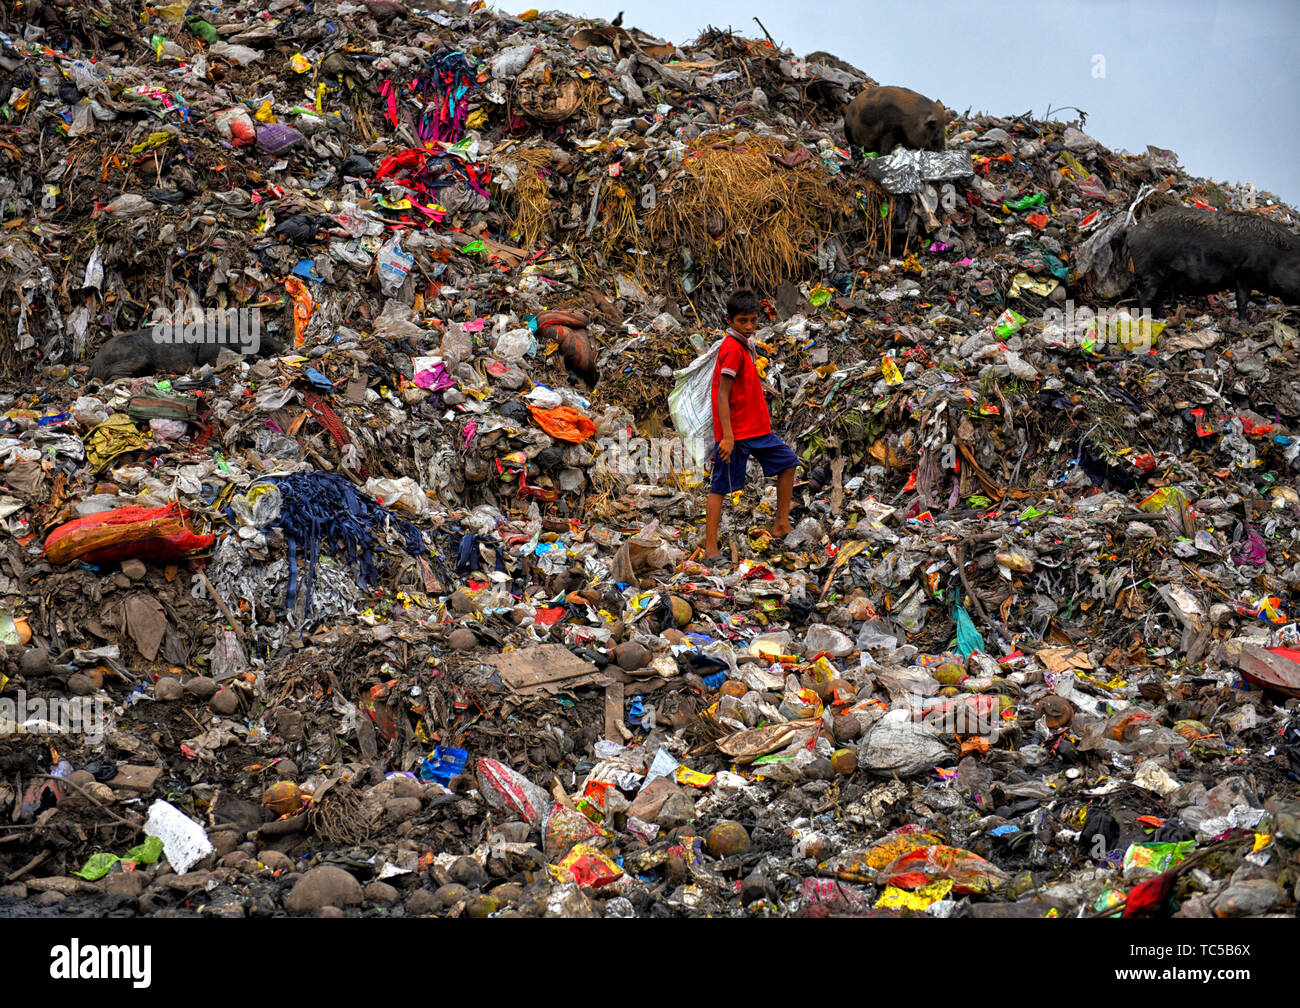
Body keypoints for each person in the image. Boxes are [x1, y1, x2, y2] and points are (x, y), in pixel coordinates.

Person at [704, 289, 798, 562]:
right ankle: (711, 548)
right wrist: (728, 437)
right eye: (742, 321)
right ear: (729, 319)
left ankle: (781, 523)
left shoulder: (744, 345)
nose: (748, 326)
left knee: (788, 462)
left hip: (756, 429)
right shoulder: (732, 349)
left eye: (753, 321)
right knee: (719, 487)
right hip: (737, 433)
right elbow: (722, 394)